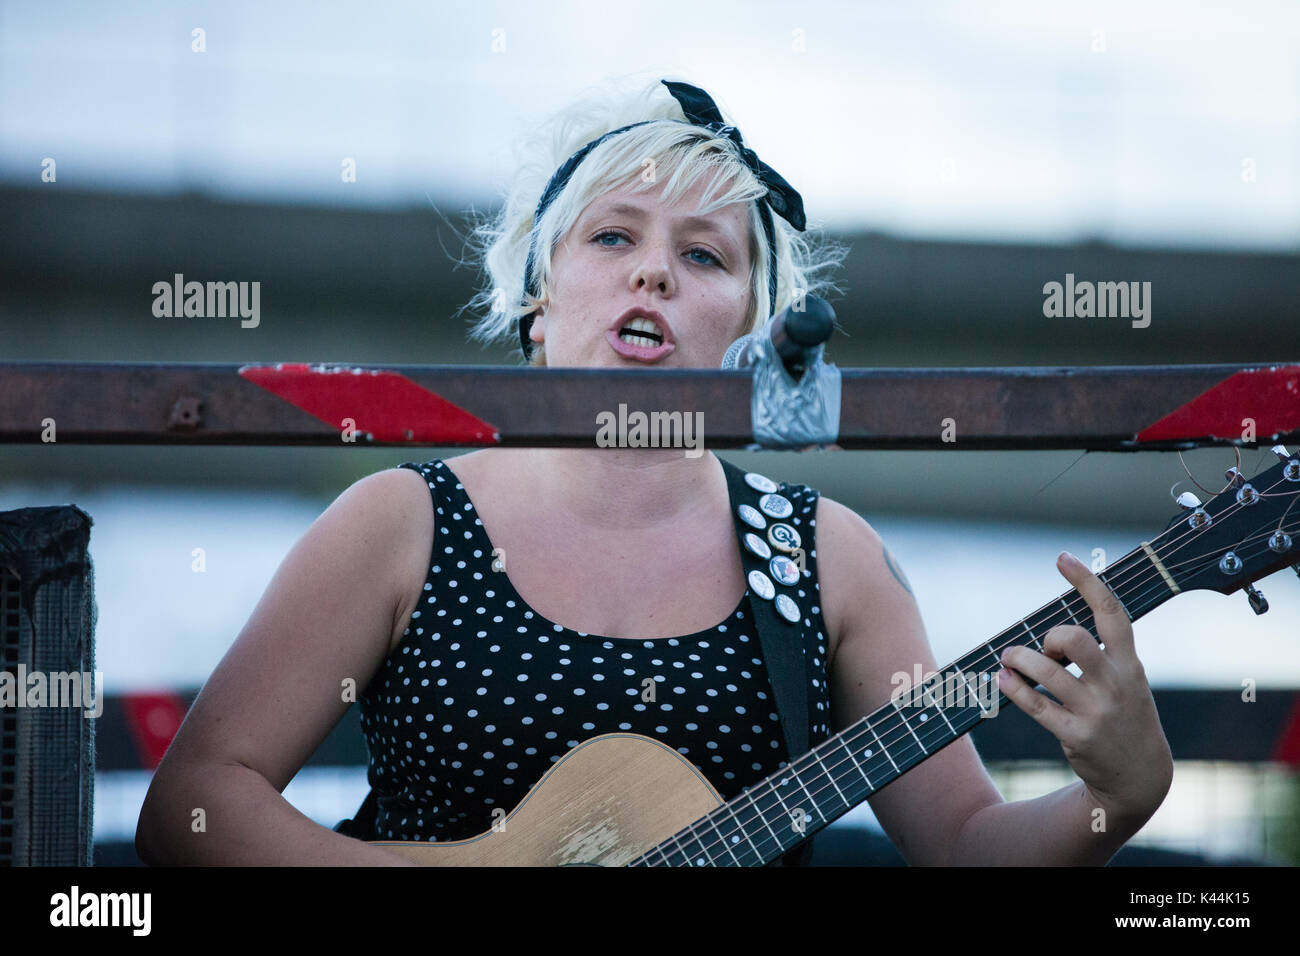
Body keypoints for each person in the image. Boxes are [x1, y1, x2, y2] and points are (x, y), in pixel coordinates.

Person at [136, 76, 1173, 866]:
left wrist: (1113, 798)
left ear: (754, 331)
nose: (653, 270)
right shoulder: (403, 521)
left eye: (705, 256)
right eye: (613, 235)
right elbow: (195, 803)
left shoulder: (824, 558)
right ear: (537, 299)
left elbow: (962, 840)